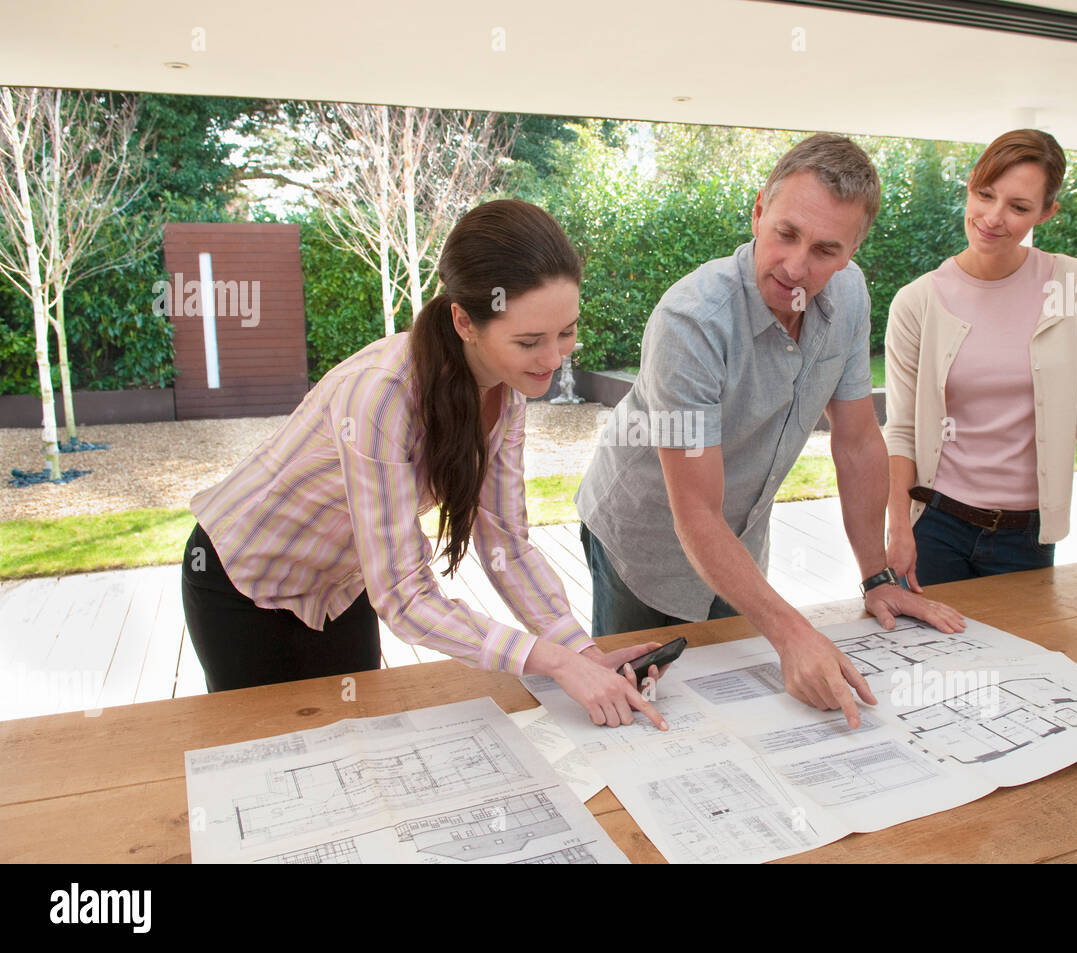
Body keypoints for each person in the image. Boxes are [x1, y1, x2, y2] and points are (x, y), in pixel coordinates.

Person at [181, 199, 669, 729]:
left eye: (566, 332)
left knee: (356, 739)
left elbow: (506, 543)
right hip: (243, 579)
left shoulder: (506, 394)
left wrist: (583, 653)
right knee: (267, 757)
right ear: (464, 320)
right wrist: (552, 662)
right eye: (529, 341)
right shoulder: (382, 395)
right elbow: (406, 598)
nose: (553, 360)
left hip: (342, 583)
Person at [576, 134, 966, 730]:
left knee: (731, 708)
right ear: (758, 212)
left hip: (741, 531)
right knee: (639, 709)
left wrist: (876, 578)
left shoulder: (851, 297)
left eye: (825, 249)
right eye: (786, 233)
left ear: (852, 252)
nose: (796, 267)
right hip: (644, 538)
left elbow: (858, 440)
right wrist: (792, 633)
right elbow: (696, 515)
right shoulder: (692, 321)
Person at [883, 129, 1077, 596]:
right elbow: (902, 429)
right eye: (985, 195)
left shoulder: (1075, 284)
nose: (993, 218)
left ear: (1047, 213)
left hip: (1026, 537)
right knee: (931, 668)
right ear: (970, 185)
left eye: (1019, 207)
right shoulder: (916, 302)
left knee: (1021, 668)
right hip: (934, 527)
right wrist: (897, 529)